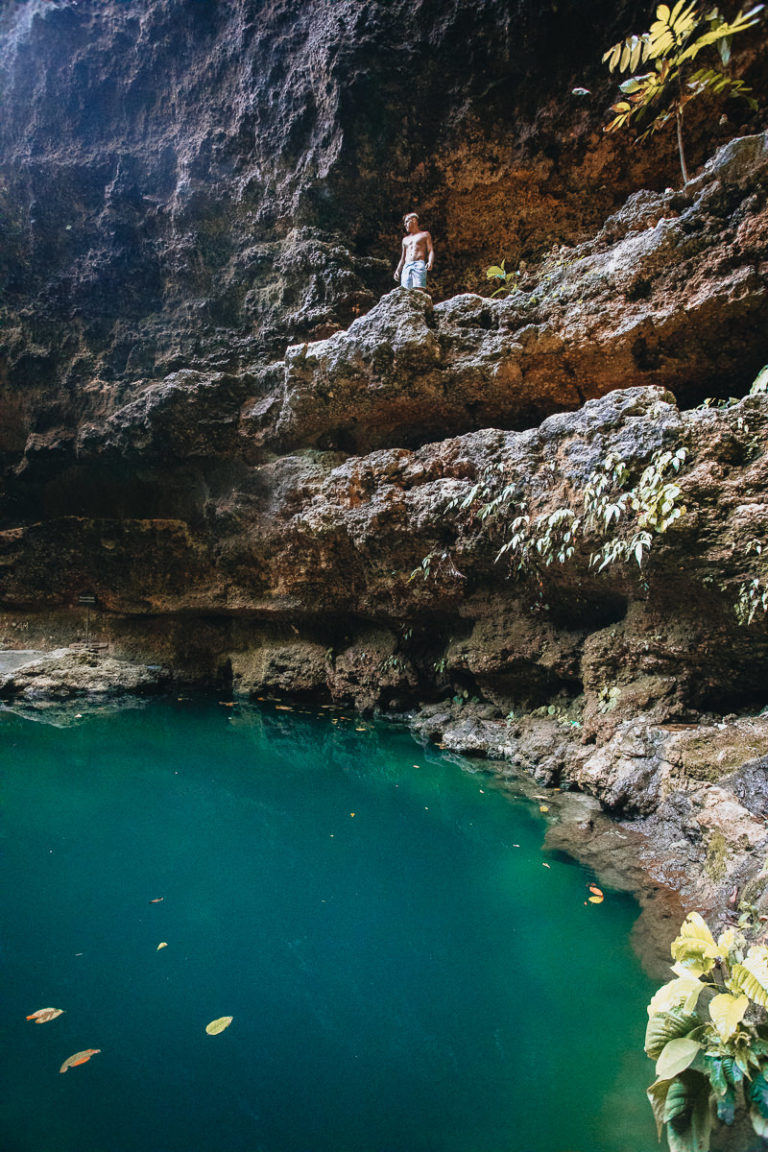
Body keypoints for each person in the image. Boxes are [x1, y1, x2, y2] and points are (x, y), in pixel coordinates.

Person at [394, 213, 434, 291]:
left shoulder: (425, 234)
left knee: (418, 290)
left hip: (418, 264)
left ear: (414, 220)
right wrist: (398, 270)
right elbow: (403, 258)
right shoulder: (405, 239)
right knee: (405, 290)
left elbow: (430, 250)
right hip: (406, 266)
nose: (405, 225)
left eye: (406, 222)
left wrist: (430, 262)